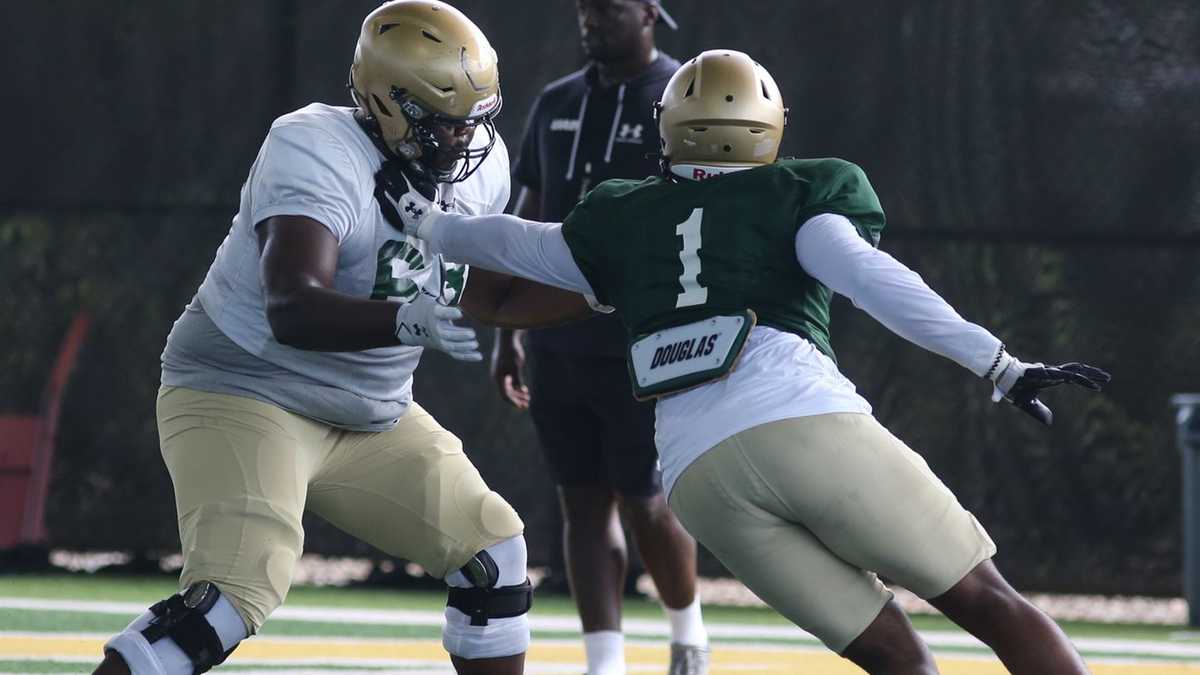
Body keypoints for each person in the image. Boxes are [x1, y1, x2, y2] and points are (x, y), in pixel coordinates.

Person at [383, 50, 1111, 674]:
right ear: (769, 127)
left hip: (701, 481)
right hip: (807, 427)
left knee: (898, 658)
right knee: (985, 599)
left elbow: (511, 242)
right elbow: (877, 282)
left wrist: (424, 218)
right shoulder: (798, 193)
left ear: (668, 128)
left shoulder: (621, 215)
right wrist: (1000, 364)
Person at [91, 2, 585, 673]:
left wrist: (605, 294)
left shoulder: (481, 166)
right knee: (232, 597)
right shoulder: (314, 148)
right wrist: (405, 321)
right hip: (246, 388)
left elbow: (492, 292)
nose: (463, 137)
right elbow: (293, 305)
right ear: (387, 103)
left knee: (493, 553)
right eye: (443, 121)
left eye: (475, 117)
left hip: (369, 413)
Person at [493, 1, 708, 673]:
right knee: (581, 502)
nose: (591, 17)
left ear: (650, 12)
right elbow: (525, 217)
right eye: (584, 6)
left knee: (646, 503)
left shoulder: (683, 99)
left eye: (608, 6)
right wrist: (507, 327)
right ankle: (603, 661)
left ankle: (688, 632)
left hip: (639, 346)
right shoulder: (556, 100)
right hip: (556, 346)